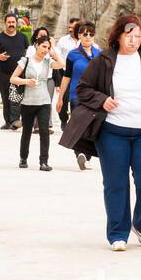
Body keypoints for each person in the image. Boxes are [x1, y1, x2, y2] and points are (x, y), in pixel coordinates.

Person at [70, 14, 141, 251]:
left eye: (138, 36)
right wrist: (102, 99)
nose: (134, 40)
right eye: (129, 36)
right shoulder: (104, 60)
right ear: (118, 35)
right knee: (116, 183)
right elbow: (83, 89)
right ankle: (118, 233)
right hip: (112, 132)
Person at [9, 35, 58, 171]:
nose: (45, 50)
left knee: (44, 131)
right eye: (43, 46)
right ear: (36, 45)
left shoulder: (48, 62)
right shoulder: (25, 60)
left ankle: (44, 162)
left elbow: (62, 64)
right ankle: (23, 158)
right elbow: (13, 79)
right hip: (28, 102)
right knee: (27, 131)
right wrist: (26, 81)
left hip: (44, 101)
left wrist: (53, 50)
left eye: (47, 48)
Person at [57, 21, 100, 170]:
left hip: (94, 96)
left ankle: (87, 156)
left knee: (91, 126)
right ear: (79, 36)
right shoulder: (73, 54)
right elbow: (66, 77)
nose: (88, 36)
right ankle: (80, 154)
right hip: (76, 95)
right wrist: (60, 97)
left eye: (91, 34)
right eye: (85, 34)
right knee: (78, 125)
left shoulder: (99, 54)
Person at [0, 13, 30, 130]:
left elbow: (28, 51)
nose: (11, 24)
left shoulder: (22, 37)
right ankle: (8, 121)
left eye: (13, 22)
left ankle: (15, 120)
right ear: (5, 23)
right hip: (3, 73)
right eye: (9, 22)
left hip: (19, 74)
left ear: (16, 23)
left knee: (19, 97)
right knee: (6, 97)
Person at [54, 18, 81, 130]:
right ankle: (63, 120)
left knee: (76, 100)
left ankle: (75, 123)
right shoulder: (63, 40)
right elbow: (57, 55)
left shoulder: (84, 40)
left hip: (79, 75)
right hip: (65, 72)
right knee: (64, 99)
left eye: (73, 28)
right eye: (69, 27)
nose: (70, 30)